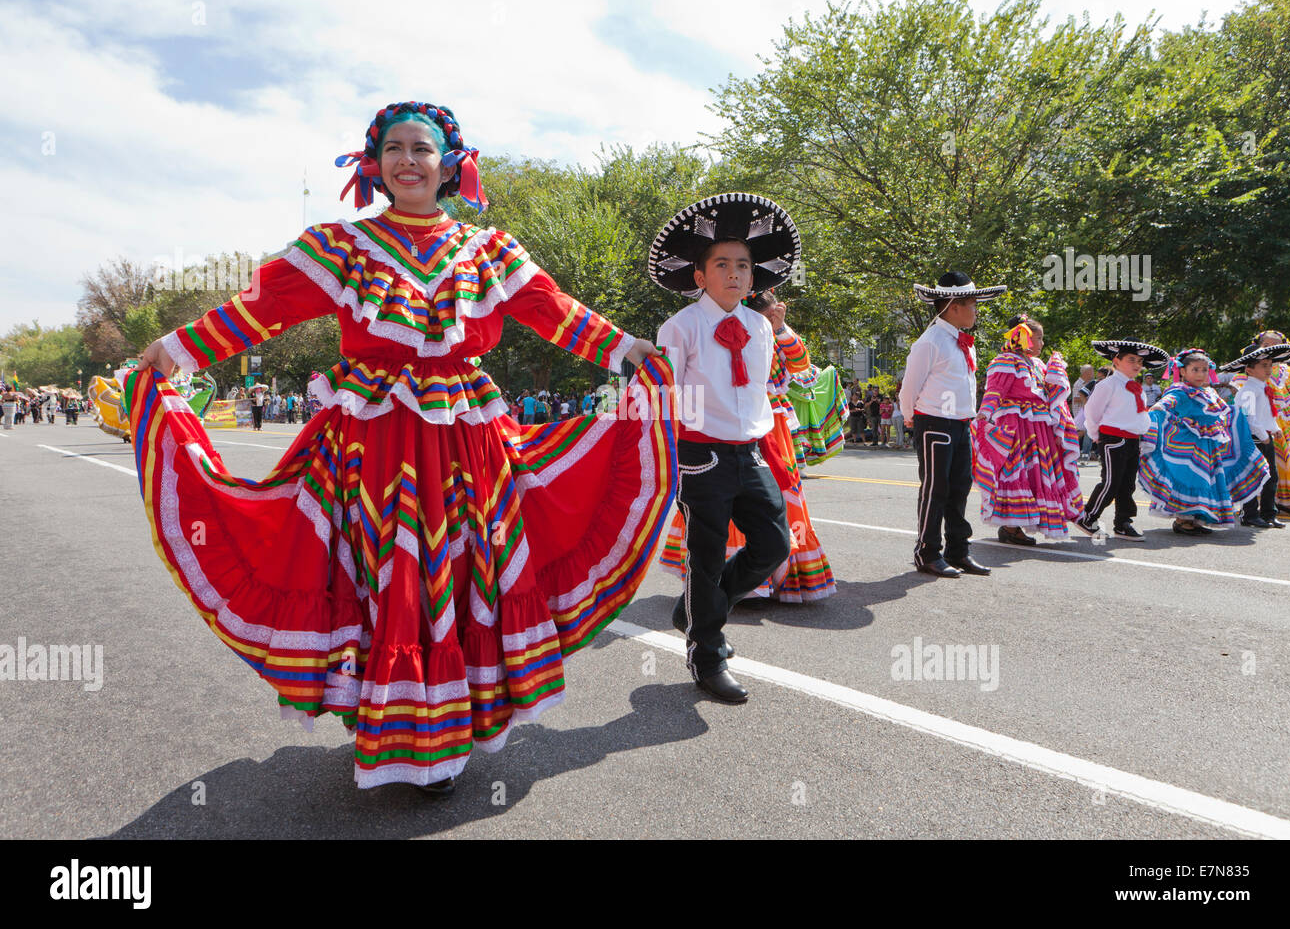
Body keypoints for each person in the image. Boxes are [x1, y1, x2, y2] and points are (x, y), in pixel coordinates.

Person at [130, 101, 673, 793]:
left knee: (462, 571)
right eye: (394, 149)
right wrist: (177, 348)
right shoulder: (339, 246)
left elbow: (551, 310)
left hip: (465, 444)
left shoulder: (489, 250)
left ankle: (441, 730)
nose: (409, 160)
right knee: (371, 573)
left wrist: (628, 350)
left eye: (423, 148)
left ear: (452, 164)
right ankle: (383, 713)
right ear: (374, 164)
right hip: (367, 443)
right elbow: (262, 306)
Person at [651, 192, 796, 703]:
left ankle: (697, 607)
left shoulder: (762, 327)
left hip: (751, 451)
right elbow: (664, 396)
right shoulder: (681, 327)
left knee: (775, 544)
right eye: (722, 265)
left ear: (753, 276)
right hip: (700, 454)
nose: (734, 274)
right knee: (706, 557)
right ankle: (706, 652)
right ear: (700, 276)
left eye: (743, 265)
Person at [659, 288, 836, 606]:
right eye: (767, 316)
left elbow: (801, 365)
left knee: (778, 499)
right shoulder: (705, 328)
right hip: (734, 427)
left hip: (772, 426)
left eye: (774, 316)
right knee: (719, 507)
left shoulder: (769, 333)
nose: (770, 320)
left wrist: (781, 330)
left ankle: (765, 577)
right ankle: (715, 595)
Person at [900, 271, 1007, 577]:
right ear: (953, 306)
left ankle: (958, 551)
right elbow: (910, 386)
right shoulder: (930, 341)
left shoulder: (963, 342)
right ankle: (927, 552)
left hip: (961, 423)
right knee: (936, 490)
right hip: (935, 422)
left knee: (960, 488)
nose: (976, 309)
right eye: (972, 303)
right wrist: (910, 415)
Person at [973, 315, 1082, 545]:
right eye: (1039, 338)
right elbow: (994, 392)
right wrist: (984, 414)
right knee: (1017, 472)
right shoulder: (1005, 361)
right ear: (1024, 338)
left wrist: (1056, 377)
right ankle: (1010, 525)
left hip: (1038, 428)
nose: (1042, 343)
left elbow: (1047, 395)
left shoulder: (1038, 365)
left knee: (1036, 475)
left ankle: (1019, 522)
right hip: (1016, 426)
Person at [1138, 348, 1268, 534]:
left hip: (1207, 446)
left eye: (1204, 370)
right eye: (1195, 369)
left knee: (1206, 480)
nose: (1200, 374)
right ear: (1183, 371)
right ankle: (1183, 520)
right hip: (1185, 447)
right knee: (1188, 477)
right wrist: (1157, 409)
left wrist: (1242, 414)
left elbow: (1227, 410)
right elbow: (1166, 403)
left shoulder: (1209, 393)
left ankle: (1196, 519)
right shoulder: (1180, 391)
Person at [1076, 339, 1170, 541]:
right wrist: (1096, 436)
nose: (1137, 365)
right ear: (1116, 361)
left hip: (1132, 440)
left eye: (1139, 361)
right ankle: (1088, 516)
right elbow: (1092, 412)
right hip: (1112, 438)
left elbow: (1138, 415)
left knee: (1127, 484)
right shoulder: (1108, 384)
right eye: (1131, 359)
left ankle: (1123, 522)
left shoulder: (1136, 388)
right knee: (1111, 481)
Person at [1224, 340, 1290, 528]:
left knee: (1271, 476)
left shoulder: (1264, 388)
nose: (1268, 369)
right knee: (1253, 476)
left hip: (1264, 436)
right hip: (1252, 439)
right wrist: (1264, 435)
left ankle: (1268, 513)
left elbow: (1267, 414)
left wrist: (1274, 428)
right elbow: (1249, 418)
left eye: (1270, 365)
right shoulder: (1247, 390)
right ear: (1249, 370)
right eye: (1264, 365)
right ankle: (1249, 514)